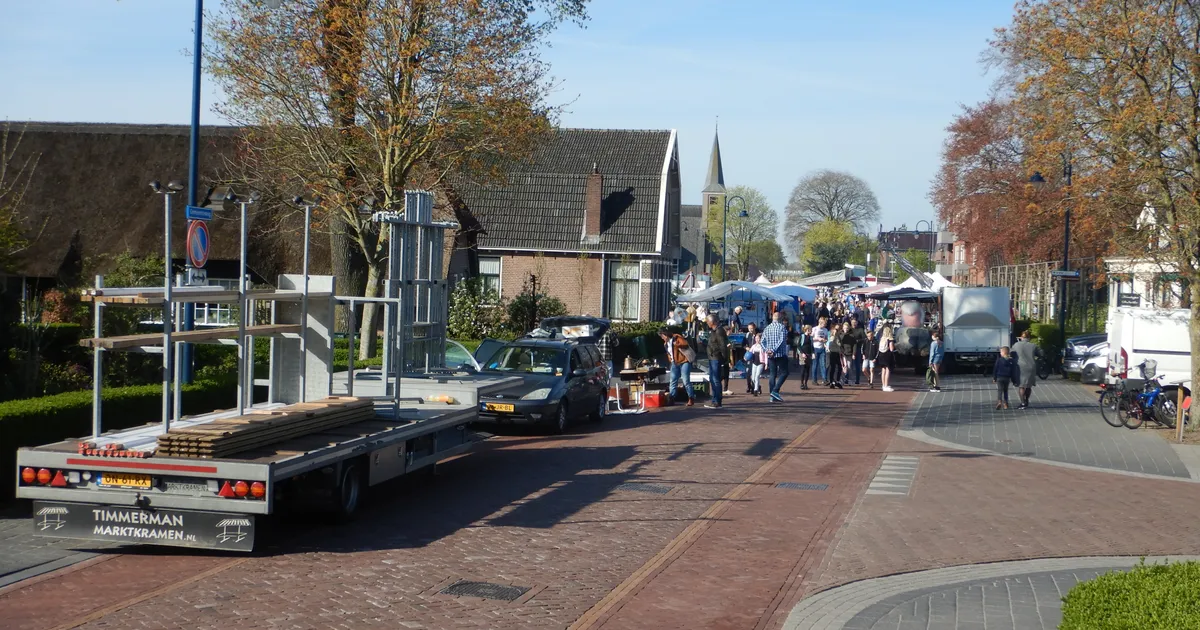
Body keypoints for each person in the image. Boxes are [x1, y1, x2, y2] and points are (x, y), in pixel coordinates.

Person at [659, 329, 695, 407]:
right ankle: (672, 398)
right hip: (674, 363)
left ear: (666, 335)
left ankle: (691, 398)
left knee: (686, 380)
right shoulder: (665, 344)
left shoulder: (676, 337)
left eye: (662, 336)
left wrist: (677, 345)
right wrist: (670, 360)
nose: (662, 338)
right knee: (673, 380)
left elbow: (685, 344)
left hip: (684, 361)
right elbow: (669, 353)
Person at [761, 311, 790, 402]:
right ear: (780, 318)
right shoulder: (782, 327)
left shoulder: (767, 328)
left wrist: (767, 350)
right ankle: (775, 391)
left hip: (770, 355)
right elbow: (782, 340)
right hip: (780, 353)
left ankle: (772, 396)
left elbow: (762, 341)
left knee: (772, 374)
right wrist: (773, 350)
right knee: (785, 372)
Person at [1012, 330, 1041, 409]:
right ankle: (1027, 400)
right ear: (1029, 337)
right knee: (1028, 386)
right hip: (1031, 367)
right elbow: (1041, 354)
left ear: (1021, 337)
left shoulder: (1016, 345)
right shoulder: (1033, 345)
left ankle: (1022, 402)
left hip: (1020, 367)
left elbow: (1012, 354)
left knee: (1021, 386)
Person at [704, 314, 728, 409]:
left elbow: (723, 345)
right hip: (712, 357)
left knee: (715, 379)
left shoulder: (719, 331)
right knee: (713, 379)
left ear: (712, 322)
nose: (707, 324)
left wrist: (724, 358)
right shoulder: (714, 331)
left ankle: (717, 401)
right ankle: (714, 399)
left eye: (707, 322)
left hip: (716, 358)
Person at [993, 345, 1016, 410]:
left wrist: (994, 378)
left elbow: (995, 369)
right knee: (1005, 390)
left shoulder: (999, 360)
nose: (1000, 353)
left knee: (1000, 390)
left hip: (999, 377)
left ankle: (999, 401)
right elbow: (1013, 371)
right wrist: (1014, 380)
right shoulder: (1011, 361)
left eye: (1000, 352)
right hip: (1007, 378)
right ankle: (1005, 403)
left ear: (1003, 353)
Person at [877, 326, 896, 392]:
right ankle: (886, 385)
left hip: (881, 354)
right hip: (887, 355)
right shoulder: (890, 339)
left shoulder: (882, 338)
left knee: (883, 370)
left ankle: (883, 385)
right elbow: (891, 349)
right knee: (888, 370)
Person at [744, 323, 760, 394]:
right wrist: (747, 348)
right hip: (749, 355)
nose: (750, 330)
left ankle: (755, 387)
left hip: (756, 356)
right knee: (748, 372)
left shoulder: (758, 335)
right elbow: (743, 345)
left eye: (751, 328)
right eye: (749, 328)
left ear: (754, 328)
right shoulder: (747, 335)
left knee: (755, 374)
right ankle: (749, 386)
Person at [828, 323, 845, 389]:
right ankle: (831, 381)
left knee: (840, 367)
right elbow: (831, 343)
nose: (837, 331)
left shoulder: (840, 336)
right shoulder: (832, 336)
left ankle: (837, 381)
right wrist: (834, 336)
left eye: (838, 329)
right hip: (832, 352)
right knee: (832, 367)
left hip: (838, 353)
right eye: (836, 329)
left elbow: (840, 344)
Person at [798, 324, 814, 390]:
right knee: (803, 369)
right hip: (803, 355)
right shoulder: (802, 336)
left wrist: (813, 353)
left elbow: (811, 346)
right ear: (807, 330)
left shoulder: (810, 337)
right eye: (810, 330)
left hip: (809, 354)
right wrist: (802, 353)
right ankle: (801, 383)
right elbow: (799, 346)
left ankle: (806, 383)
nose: (811, 331)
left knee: (808, 369)